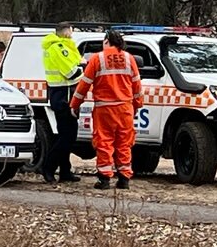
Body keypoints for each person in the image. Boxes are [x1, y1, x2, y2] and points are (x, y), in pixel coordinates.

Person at [71, 27, 144, 190]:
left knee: (104, 142)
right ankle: (124, 178)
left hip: (104, 109)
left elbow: (84, 85)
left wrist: (75, 105)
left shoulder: (97, 59)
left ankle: (104, 179)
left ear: (106, 41)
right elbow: (137, 85)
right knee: (124, 143)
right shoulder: (129, 58)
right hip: (125, 108)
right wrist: (137, 105)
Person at [39, 23, 82, 183]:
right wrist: (86, 68)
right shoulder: (59, 48)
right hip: (64, 96)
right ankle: (48, 167)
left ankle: (65, 171)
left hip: (62, 95)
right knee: (67, 137)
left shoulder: (58, 46)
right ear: (65, 32)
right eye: (71, 31)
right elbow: (71, 73)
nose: (72, 34)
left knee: (67, 135)